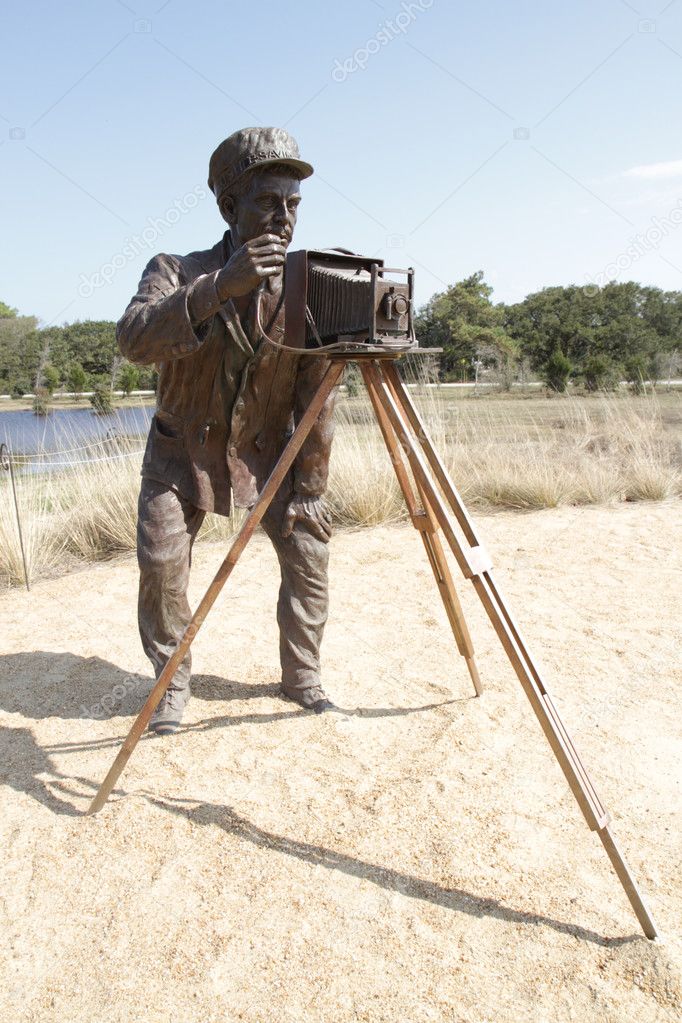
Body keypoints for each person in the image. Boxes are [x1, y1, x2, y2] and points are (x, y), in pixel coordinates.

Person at [117, 126, 339, 734]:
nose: (285, 217)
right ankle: (169, 684)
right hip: (180, 455)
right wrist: (219, 287)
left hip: (269, 455)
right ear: (228, 207)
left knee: (310, 549)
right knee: (161, 564)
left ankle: (303, 676)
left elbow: (318, 399)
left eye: (294, 204)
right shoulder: (175, 268)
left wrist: (311, 487)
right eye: (270, 202)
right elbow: (133, 338)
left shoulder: (307, 287)